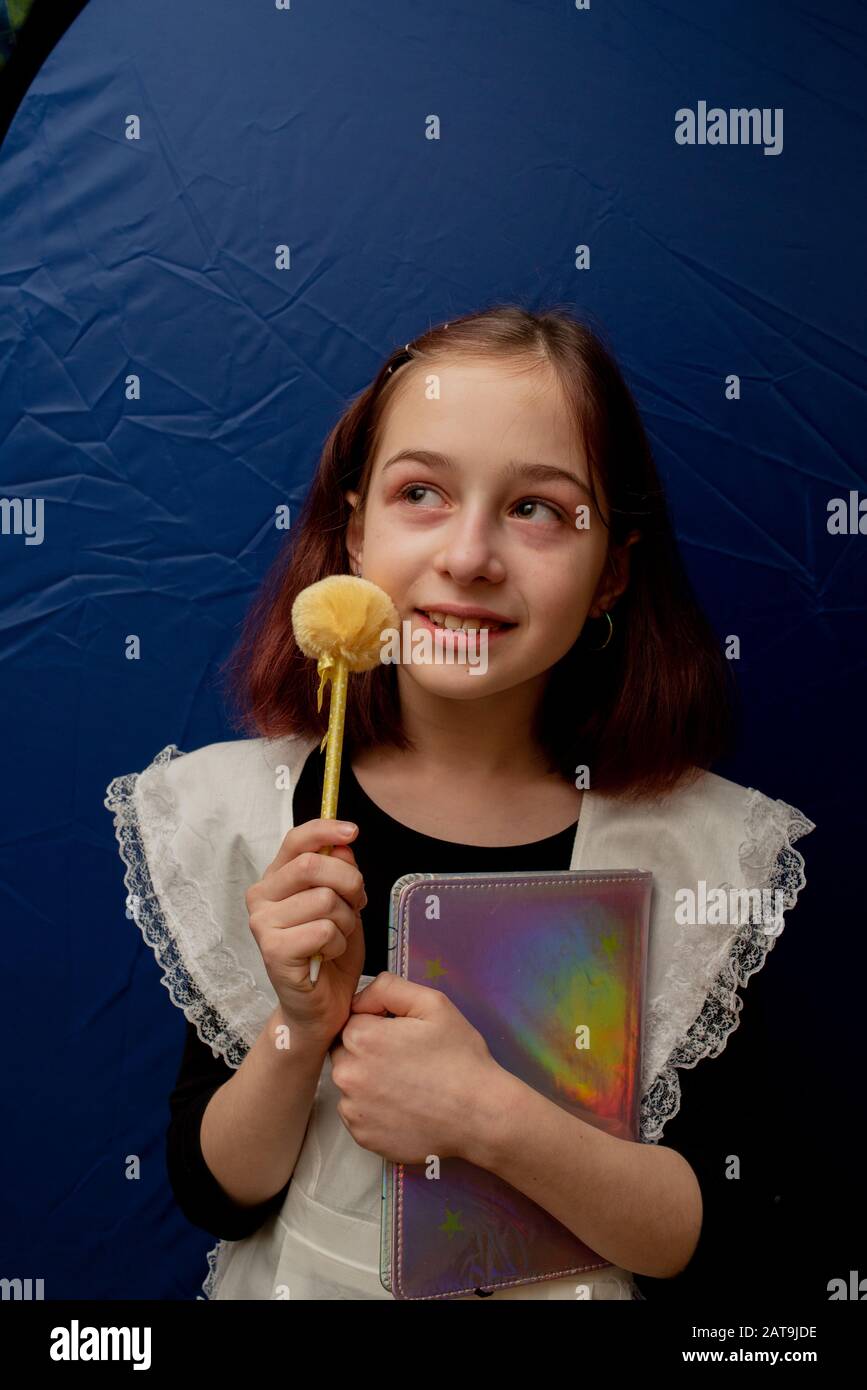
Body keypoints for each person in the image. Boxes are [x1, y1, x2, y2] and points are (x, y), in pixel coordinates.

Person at [104, 305, 815, 1300]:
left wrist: (491, 1118)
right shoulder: (248, 816)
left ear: (612, 569)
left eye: (538, 509)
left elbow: (729, 1227)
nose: (472, 554)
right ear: (355, 534)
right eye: (422, 493)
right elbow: (218, 1191)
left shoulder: (700, 854)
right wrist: (299, 1030)